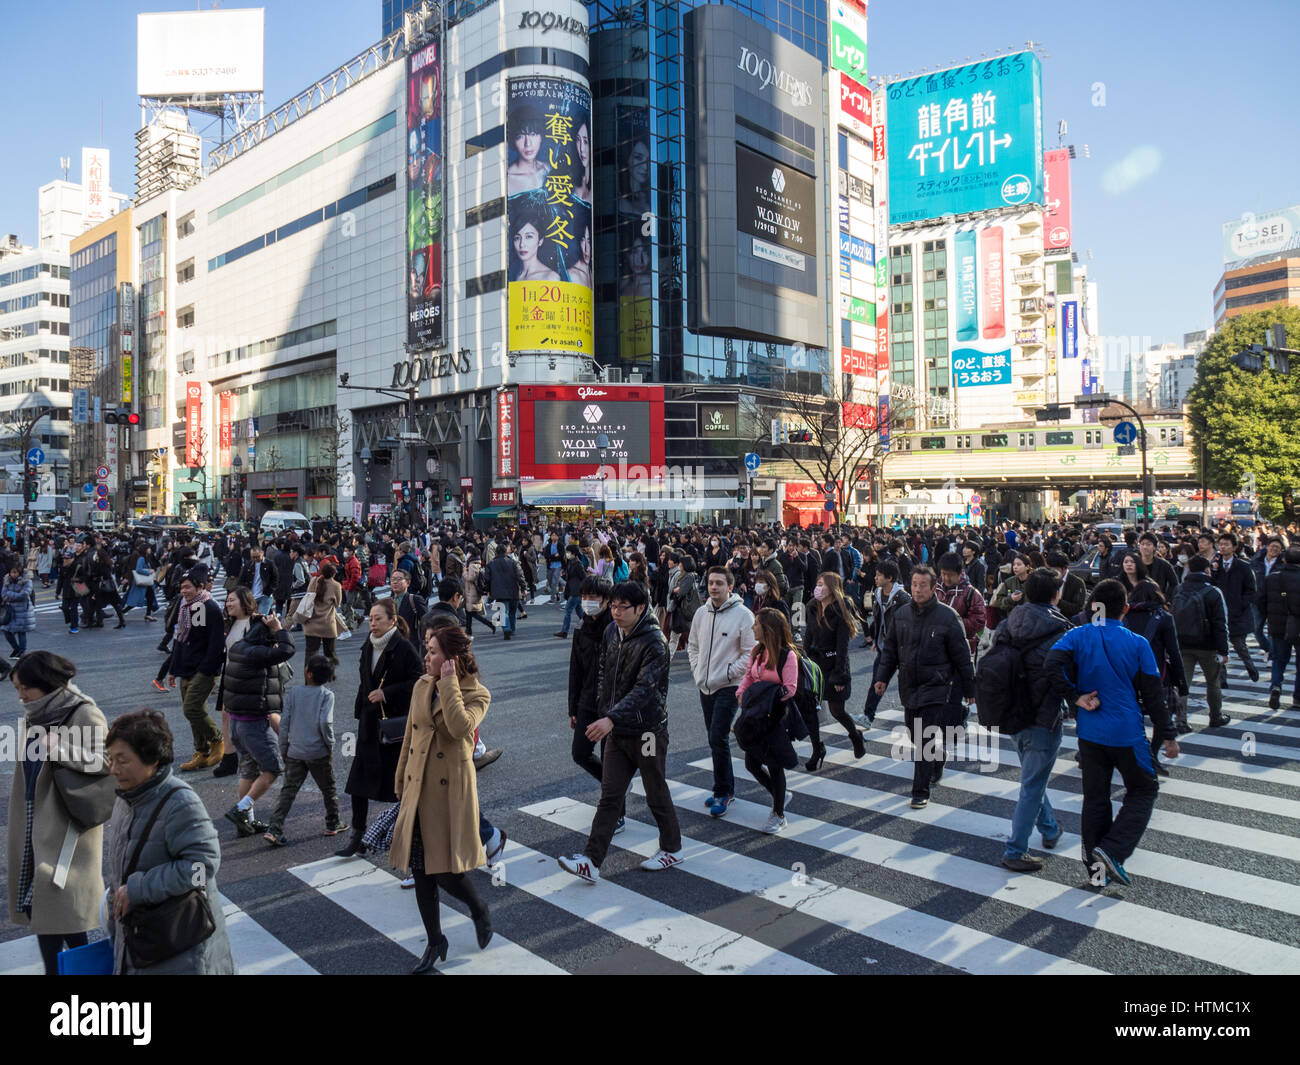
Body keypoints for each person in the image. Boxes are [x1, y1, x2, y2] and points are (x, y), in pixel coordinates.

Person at [1044, 579, 1180, 887]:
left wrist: (1075, 696)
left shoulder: (1075, 635)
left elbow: (1051, 665)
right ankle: (1113, 849)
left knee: (1095, 798)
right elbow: (1154, 696)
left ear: (1093, 607)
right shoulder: (1137, 643)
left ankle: (1097, 873)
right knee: (1144, 790)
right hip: (1126, 732)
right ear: (1126, 609)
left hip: (1090, 732)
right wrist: (1168, 734)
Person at [558, 580, 684, 883]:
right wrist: (605, 710)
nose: (615, 612)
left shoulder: (655, 642)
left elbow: (645, 690)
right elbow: (602, 672)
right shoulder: (612, 631)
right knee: (610, 796)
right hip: (617, 730)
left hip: (649, 731)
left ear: (640, 608)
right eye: (612, 605)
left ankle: (672, 848)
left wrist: (610, 718)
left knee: (655, 790)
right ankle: (591, 860)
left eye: (621, 607)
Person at [390, 624, 494, 973]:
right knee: (420, 870)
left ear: (451, 659)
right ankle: (435, 942)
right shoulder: (421, 685)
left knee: (446, 871)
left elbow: (459, 728)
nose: (427, 656)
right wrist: (401, 778)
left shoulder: (477, 693)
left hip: (449, 793)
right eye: (427, 648)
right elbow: (410, 735)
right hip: (419, 787)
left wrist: (449, 682)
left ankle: (478, 907)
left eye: (433, 651)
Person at [104, 709, 235, 974]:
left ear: (152, 759)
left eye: (122, 760)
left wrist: (139, 888)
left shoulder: (180, 801)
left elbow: (203, 868)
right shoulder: (126, 799)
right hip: (141, 940)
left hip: (180, 949)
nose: (114, 769)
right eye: (110, 759)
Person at [5, 652, 111, 974]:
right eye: (17, 688)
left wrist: (61, 748)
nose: (21, 695)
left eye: (25, 688)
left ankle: (75, 971)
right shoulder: (35, 712)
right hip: (33, 818)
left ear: (46, 684)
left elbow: (107, 762)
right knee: (46, 908)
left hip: (67, 824)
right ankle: (65, 970)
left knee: (61, 905)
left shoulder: (85, 712)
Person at [874, 566, 976, 809]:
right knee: (914, 732)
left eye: (923, 585)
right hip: (910, 685)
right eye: (914, 584)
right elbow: (890, 650)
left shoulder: (947, 616)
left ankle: (920, 790)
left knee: (924, 737)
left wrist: (971, 690)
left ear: (933, 589)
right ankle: (938, 758)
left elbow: (963, 657)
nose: (917, 589)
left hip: (937, 686)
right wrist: (882, 677)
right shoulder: (901, 614)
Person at [993, 568, 1072, 872]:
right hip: (1044, 716)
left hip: (1012, 711)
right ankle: (1015, 850)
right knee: (1032, 783)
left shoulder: (1008, 623)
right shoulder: (1063, 630)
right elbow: (1068, 675)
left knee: (1032, 778)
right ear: (1055, 595)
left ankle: (1050, 828)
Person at [335, 599, 424, 857]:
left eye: (378, 619)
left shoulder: (404, 648)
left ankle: (409, 835)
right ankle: (357, 834)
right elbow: (365, 682)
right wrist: (360, 709)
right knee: (357, 783)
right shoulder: (368, 645)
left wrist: (387, 693)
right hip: (369, 723)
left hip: (394, 727)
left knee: (401, 786)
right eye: (371, 619)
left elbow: (418, 680)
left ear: (393, 620)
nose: (372, 623)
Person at [687, 566, 756, 818]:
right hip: (704, 685)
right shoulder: (700, 613)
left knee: (718, 737)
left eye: (719, 583)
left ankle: (724, 791)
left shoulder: (744, 615)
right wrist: (697, 670)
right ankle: (722, 787)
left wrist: (728, 673)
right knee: (714, 738)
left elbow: (751, 653)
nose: (714, 587)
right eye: (710, 583)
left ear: (730, 586)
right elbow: (693, 645)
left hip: (729, 686)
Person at [219, 608, 294, 836]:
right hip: (254, 723)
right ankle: (241, 809)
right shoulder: (260, 653)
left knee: (248, 771)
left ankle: (247, 822)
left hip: (236, 722)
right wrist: (279, 629)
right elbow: (287, 650)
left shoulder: (239, 647)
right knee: (272, 769)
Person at [266, 655, 345, 845]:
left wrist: (283, 747)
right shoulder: (327, 695)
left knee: (288, 790)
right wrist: (329, 745)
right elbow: (326, 723)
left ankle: (275, 828)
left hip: (295, 751)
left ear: (308, 673)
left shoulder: (294, 693)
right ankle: (332, 822)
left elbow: (284, 724)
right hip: (318, 751)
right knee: (328, 789)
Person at [735, 609, 802, 834]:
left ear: (768, 629)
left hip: (774, 718)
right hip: (755, 717)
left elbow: (790, 689)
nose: (753, 628)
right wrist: (742, 694)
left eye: (756, 624)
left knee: (774, 765)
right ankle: (779, 795)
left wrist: (764, 696)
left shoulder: (787, 655)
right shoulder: (757, 651)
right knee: (751, 764)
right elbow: (749, 677)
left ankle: (779, 814)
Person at [1123, 580, 1188, 775]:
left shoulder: (1123, 616)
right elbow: (1174, 652)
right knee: (1162, 716)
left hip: (1128, 676)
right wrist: (1181, 682)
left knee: (1134, 718)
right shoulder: (1164, 617)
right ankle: (1152, 753)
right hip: (1158, 674)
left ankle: (1137, 755)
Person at [168, 571, 227, 771]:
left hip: (202, 669)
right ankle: (201, 752)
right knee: (194, 712)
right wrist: (173, 669)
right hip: (186, 667)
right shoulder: (187, 607)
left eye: (188, 587)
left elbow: (209, 642)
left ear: (200, 587)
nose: (184, 591)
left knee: (191, 709)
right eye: (182, 587)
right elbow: (182, 640)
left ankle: (217, 740)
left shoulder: (204, 607)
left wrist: (207, 668)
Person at [804, 572, 864, 765]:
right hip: (815, 665)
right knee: (811, 711)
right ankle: (817, 749)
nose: (818, 588)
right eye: (817, 584)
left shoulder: (841, 609)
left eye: (822, 585)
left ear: (832, 588)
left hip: (834, 664)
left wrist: (840, 675)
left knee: (837, 710)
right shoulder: (812, 606)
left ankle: (855, 735)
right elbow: (808, 637)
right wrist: (803, 662)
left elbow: (843, 647)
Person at [1171, 555, 1231, 729]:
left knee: (1183, 684)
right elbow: (1221, 623)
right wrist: (1224, 651)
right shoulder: (1213, 591)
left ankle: (1180, 720)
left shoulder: (1178, 589)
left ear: (1189, 569)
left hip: (1182, 644)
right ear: (1207, 570)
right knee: (1213, 682)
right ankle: (1215, 716)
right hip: (1208, 645)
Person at [860, 559, 910, 728]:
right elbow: (878, 619)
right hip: (885, 648)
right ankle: (868, 716)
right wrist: (876, 639)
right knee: (877, 681)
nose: (875, 578)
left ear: (889, 578)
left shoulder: (903, 598)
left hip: (903, 649)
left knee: (908, 686)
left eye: (879, 575)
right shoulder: (878, 593)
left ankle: (915, 716)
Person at [1212, 532, 1260, 684]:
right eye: (1221, 544)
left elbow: (1251, 590)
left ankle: (1250, 667)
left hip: (1237, 613)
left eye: (1226, 544)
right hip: (1219, 613)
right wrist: (1213, 571)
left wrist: (1240, 604)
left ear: (1234, 547)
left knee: (1240, 646)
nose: (1223, 547)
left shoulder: (1243, 567)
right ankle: (1222, 678)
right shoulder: (1215, 566)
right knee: (1219, 647)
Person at [1259, 544, 1300, 710]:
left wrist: (1269, 614)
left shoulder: (1273, 577)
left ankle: (1276, 686)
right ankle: (1297, 697)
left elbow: (1260, 599)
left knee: (1278, 659)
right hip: (1298, 625)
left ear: (1283, 559)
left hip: (1277, 625)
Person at [299, 561, 344, 665]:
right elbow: (337, 603)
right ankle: (329, 673)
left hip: (311, 623)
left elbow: (308, 595)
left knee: (310, 653)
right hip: (327, 624)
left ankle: (309, 676)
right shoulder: (336, 585)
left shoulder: (314, 581)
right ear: (333, 574)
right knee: (329, 652)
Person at [486, 539, 527, 639]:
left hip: (499, 591)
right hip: (513, 589)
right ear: (505, 551)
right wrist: (523, 588)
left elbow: (487, 579)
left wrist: (488, 590)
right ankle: (512, 629)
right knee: (512, 612)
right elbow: (520, 576)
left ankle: (506, 628)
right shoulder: (513, 562)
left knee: (503, 611)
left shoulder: (491, 564)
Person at [2, 561, 35, 658]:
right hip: (10, 610)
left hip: (23, 610)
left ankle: (22, 651)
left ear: (19, 572)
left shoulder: (27, 580)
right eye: (11, 572)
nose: (13, 574)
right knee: (6, 631)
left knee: (21, 631)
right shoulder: (7, 580)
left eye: (15, 572)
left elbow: (24, 594)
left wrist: (10, 594)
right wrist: (15, 595)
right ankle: (16, 648)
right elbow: (3, 594)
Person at [554, 544, 587, 638]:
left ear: (574, 553)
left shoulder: (577, 563)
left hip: (576, 591)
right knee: (579, 611)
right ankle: (589, 625)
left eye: (568, 552)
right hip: (573, 589)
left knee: (568, 610)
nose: (567, 554)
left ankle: (564, 631)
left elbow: (583, 577)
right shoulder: (571, 562)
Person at [240, 546, 278, 615]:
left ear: (262, 553)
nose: (255, 559)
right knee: (252, 618)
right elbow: (241, 580)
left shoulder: (269, 564)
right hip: (251, 596)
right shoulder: (248, 565)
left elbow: (275, 578)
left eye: (257, 556)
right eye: (253, 557)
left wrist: (269, 591)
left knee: (260, 618)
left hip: (265, 596)